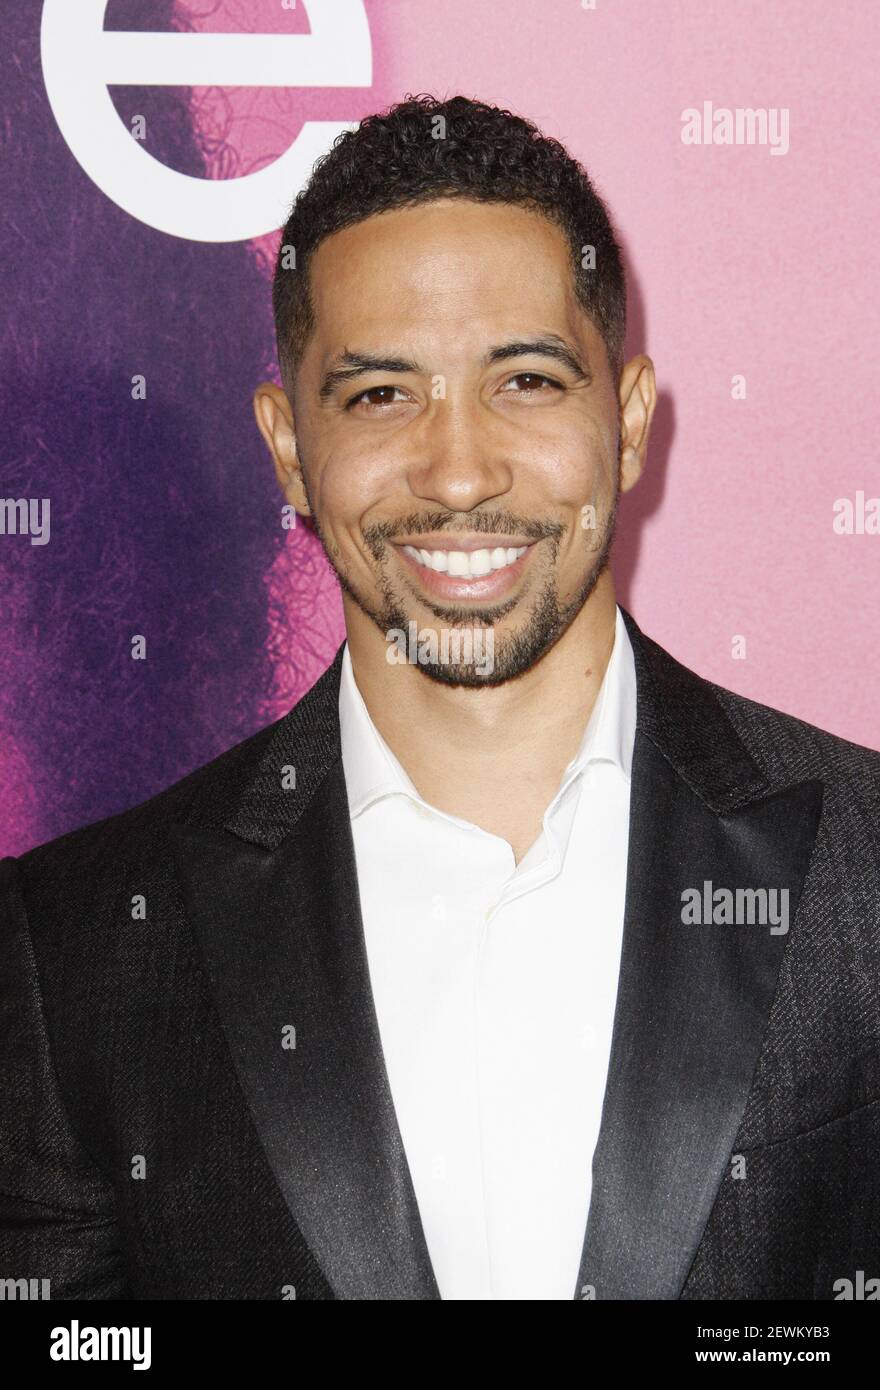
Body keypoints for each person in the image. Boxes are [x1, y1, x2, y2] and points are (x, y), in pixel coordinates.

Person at [1, 95, 877, 1302]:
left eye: (523, 379)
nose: (458, 469)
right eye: (379, 395)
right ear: (287, 447)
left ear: (624, 425)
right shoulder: (79, 944)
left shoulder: (863, 863)